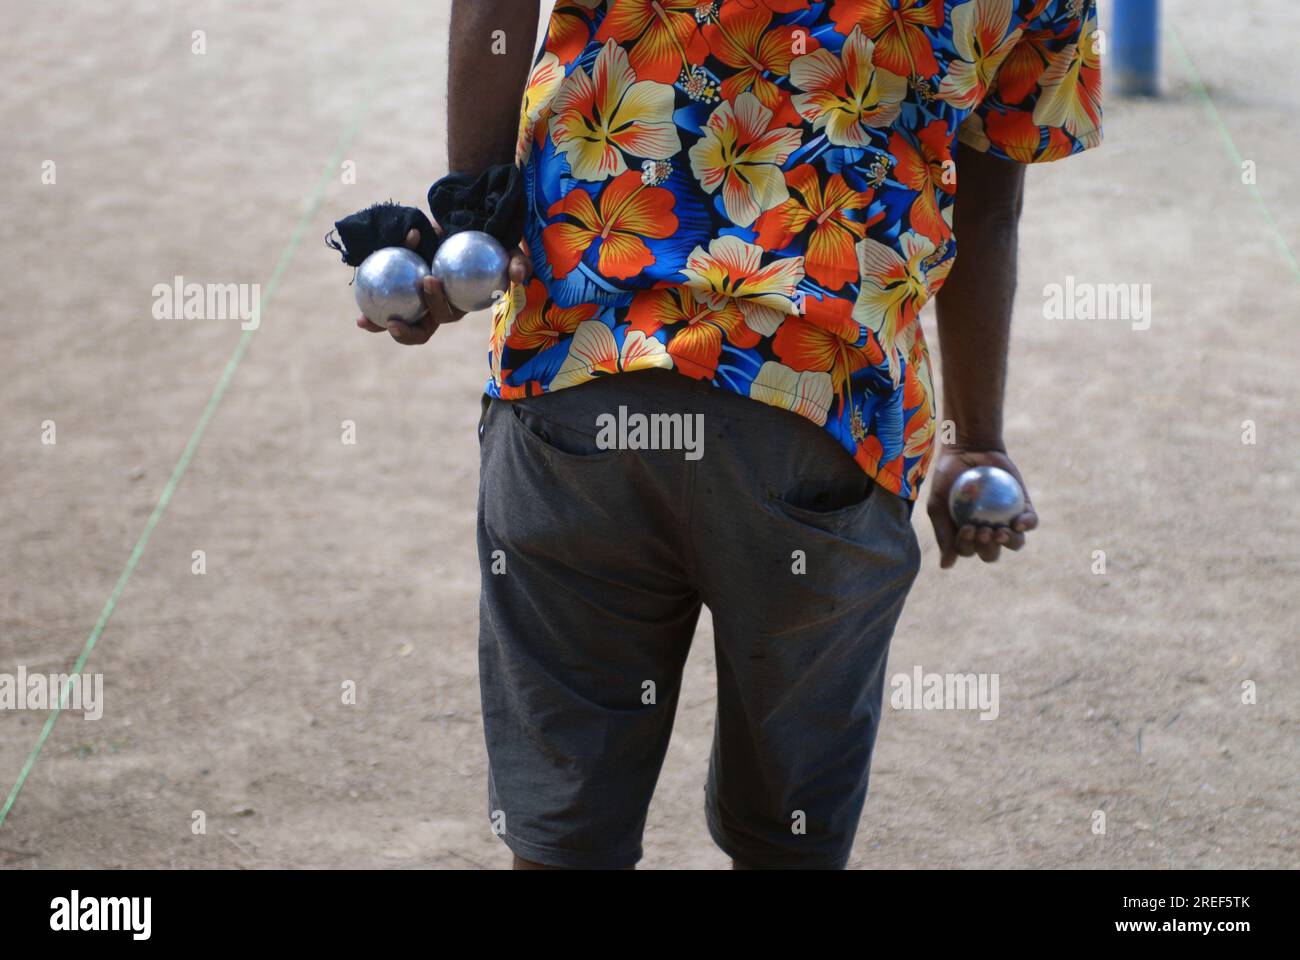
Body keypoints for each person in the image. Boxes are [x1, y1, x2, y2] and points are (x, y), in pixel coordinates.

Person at [357, 0, 1102, 869]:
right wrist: (976, 441)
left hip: (582, 380)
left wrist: (475, 213)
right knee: (788, 837)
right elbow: (987, 211)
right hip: (821, 415)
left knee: (563, 840)